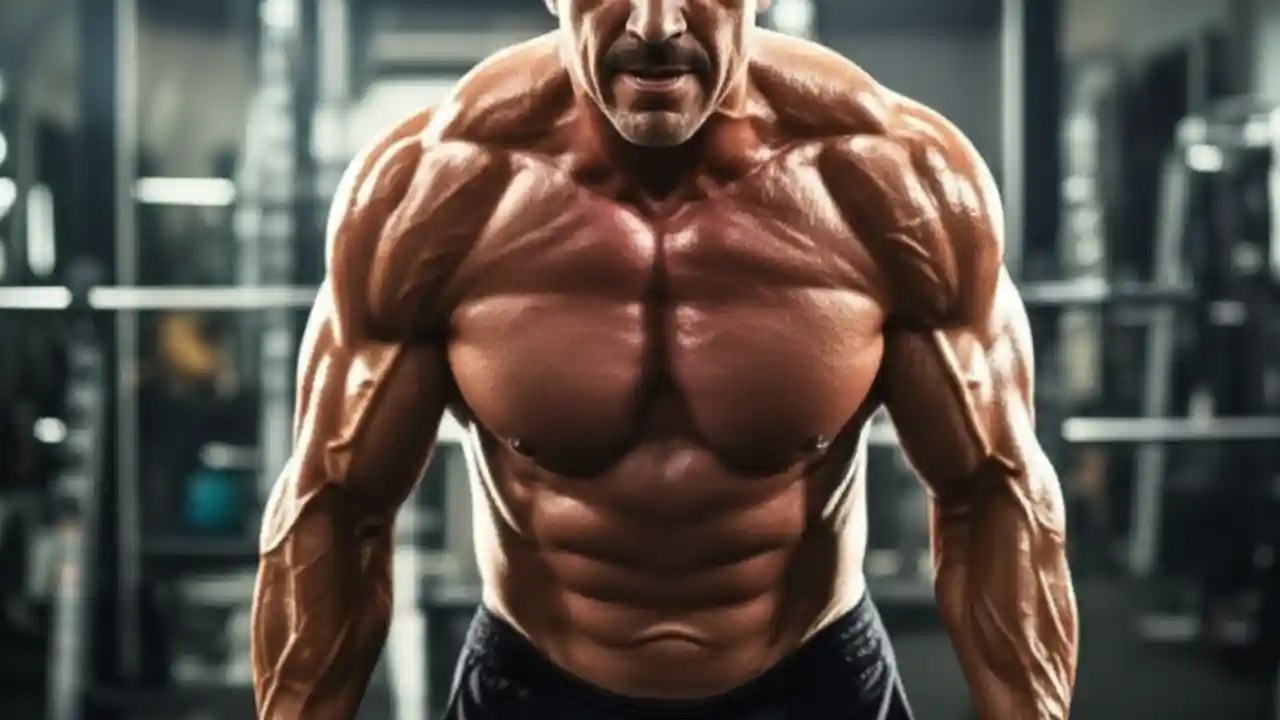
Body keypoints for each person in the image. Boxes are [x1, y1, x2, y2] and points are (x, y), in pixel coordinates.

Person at [250, 1, 1078, 718]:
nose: (654, 25)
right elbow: (336, 507)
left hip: (813, 689)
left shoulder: (894, 180)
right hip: (535, 693)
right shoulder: (431, 192)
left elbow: (991, 497)